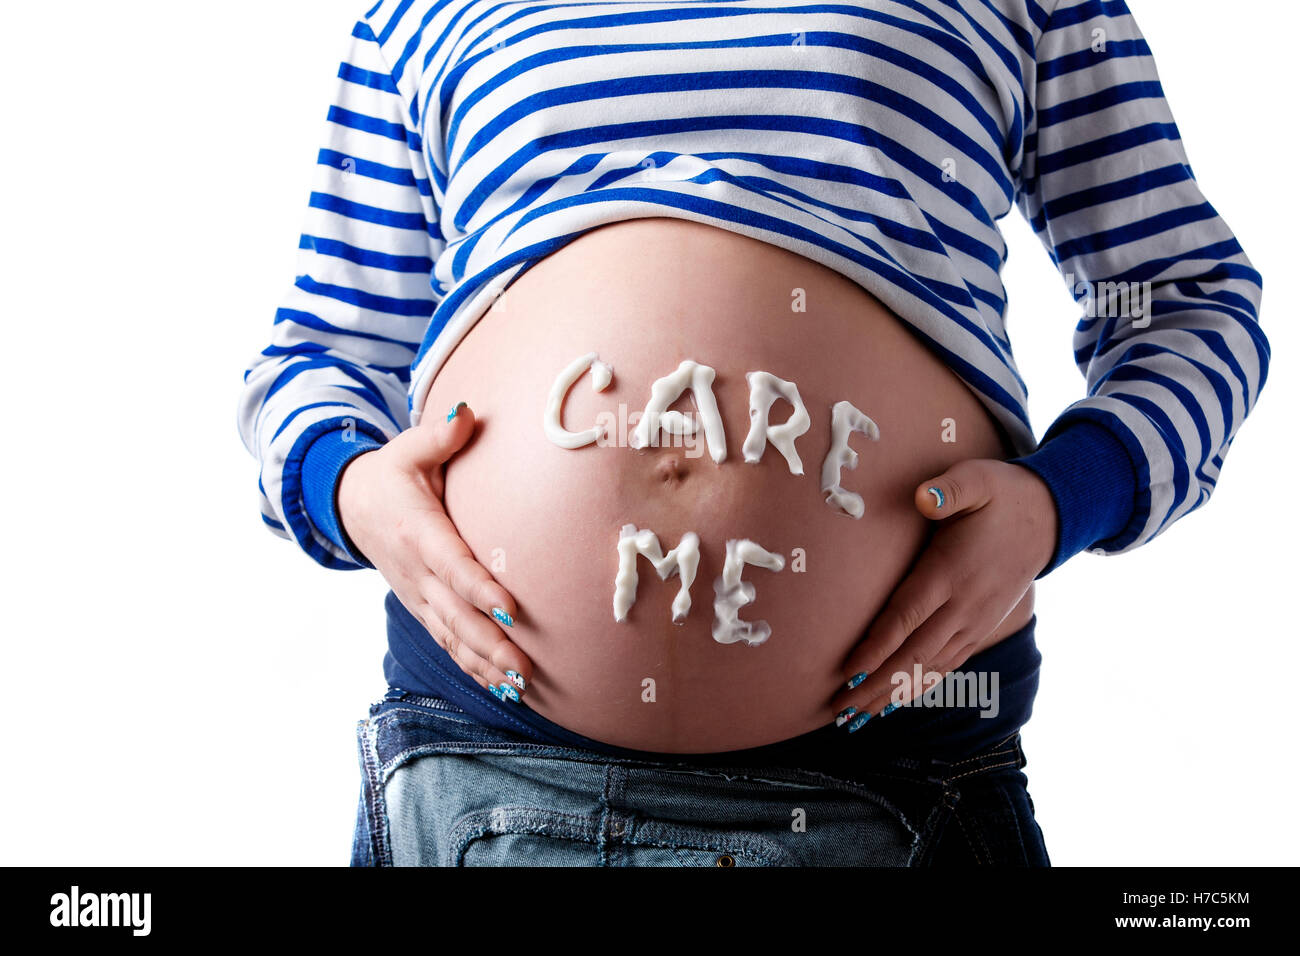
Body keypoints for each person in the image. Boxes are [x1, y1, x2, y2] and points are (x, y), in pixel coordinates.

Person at [236, 0, 1270, 866]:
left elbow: (1186, 302)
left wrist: (1061, 500)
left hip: (897, 781)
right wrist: (349, 489)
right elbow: (320, 352)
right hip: (479, 768)